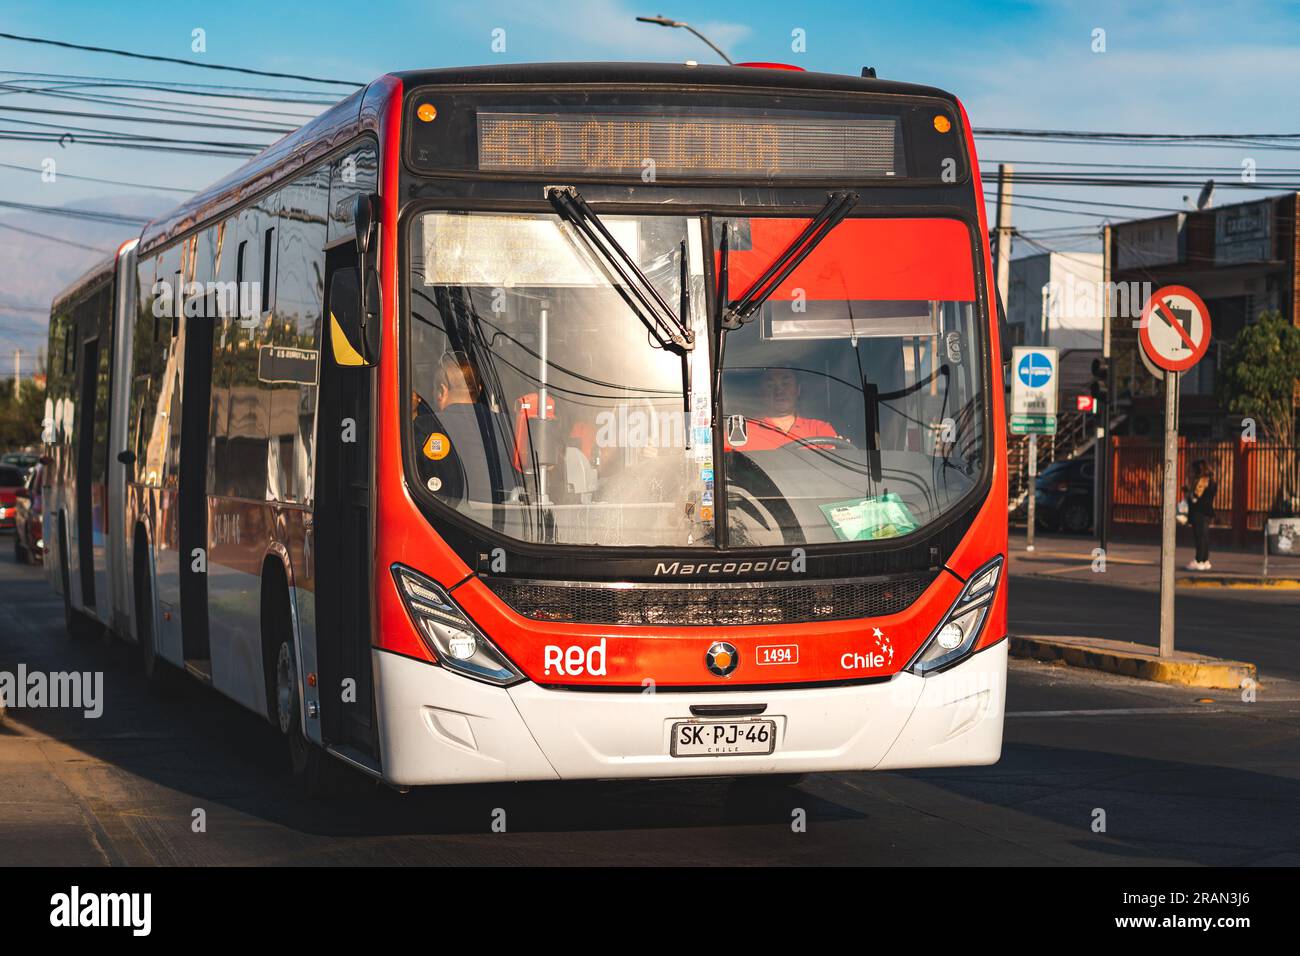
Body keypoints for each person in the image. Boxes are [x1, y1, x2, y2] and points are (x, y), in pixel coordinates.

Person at [413, 351, 512, 505]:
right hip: (501, 523)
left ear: (441, 391)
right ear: (479, 390)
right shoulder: (506, 428)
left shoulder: (424, 428)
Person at [737, 366, 840, 451]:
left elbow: (836, 467)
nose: (779, 391)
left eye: (785, 383)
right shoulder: (744, 432)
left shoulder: (819, 429)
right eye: (770, 385)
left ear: (798, 390)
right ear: (760, 392)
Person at [1184, 459, 1217, 571]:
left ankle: (1199, 560)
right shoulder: (1212, 481)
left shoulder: (1202, 481)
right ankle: (1205, 560)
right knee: (1205, 536)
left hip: (1199, 512)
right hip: (1207, 511)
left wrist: (1188, 494)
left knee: (1199, 537)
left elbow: (1195, 498)